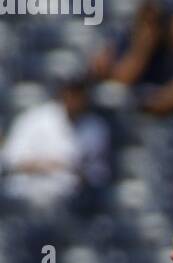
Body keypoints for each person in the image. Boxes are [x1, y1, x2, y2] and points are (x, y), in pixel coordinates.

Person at [1, 78, 109, 207]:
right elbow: (10, 158)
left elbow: (98, 172)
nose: (74, 101)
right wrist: (45, 166)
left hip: (70, 198)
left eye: (79, 96)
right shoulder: (36, 118)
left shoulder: (95, 127)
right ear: (62, 95)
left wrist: (72, 169)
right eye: (71, 94)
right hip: (27, 191)